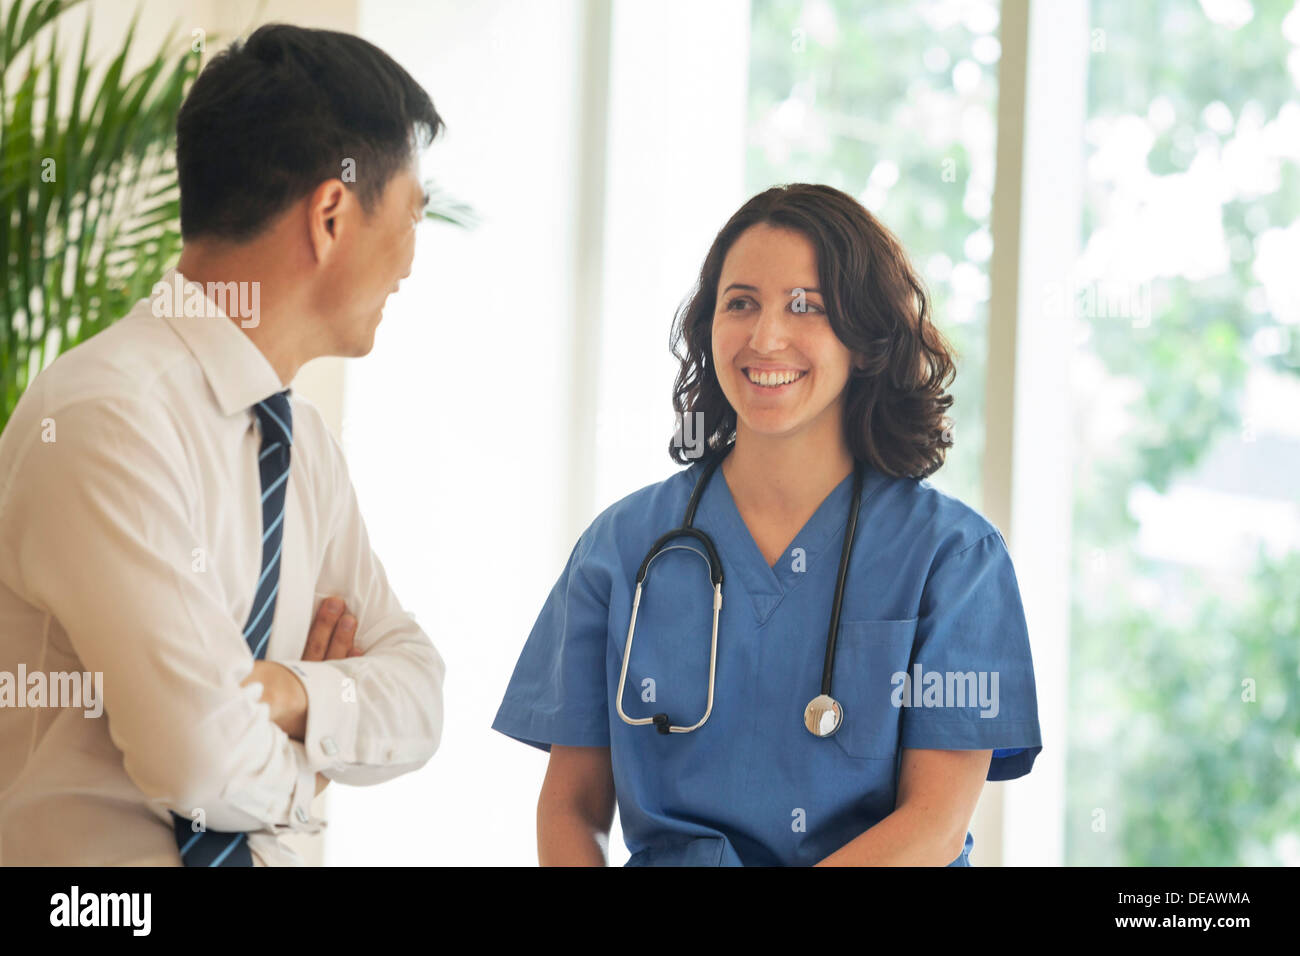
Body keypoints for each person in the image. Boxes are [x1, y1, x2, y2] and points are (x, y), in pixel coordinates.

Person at [492, 183, 1042, 866]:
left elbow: (933, 823)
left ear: (866, 339)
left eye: (805, 306)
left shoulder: (956, 559)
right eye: (741, 303)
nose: (766, 336)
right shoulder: (622, 546)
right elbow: (570, 810)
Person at [0, 24, 445, 866]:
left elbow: (419, 693)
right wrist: (309, 774)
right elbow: (198, 757)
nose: (410, 265)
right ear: (330, 214)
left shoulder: (300, 443)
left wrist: (285, 693)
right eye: (412, 216)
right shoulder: (108, 418)